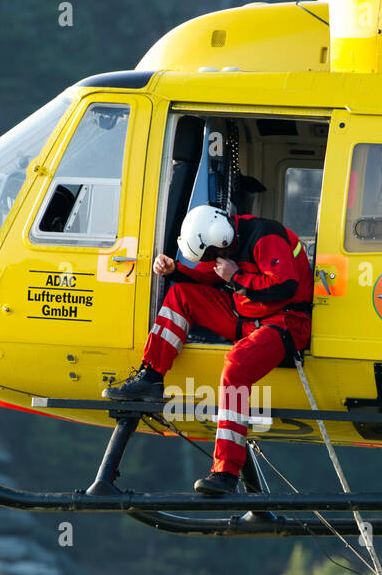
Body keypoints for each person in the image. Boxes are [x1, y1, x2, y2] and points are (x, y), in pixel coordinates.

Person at [103, 205, 313, 495]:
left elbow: (285, 286)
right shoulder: (226, 242)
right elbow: (209, 275)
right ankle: (150, 376)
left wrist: (236, 277)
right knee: (181, 294)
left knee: (236, 367)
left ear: (222, 243)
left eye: (214, 256)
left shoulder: (266, 236)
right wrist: (175, 270)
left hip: (286, 322)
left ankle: (225, 473)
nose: (213, 261)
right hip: (248, 317)